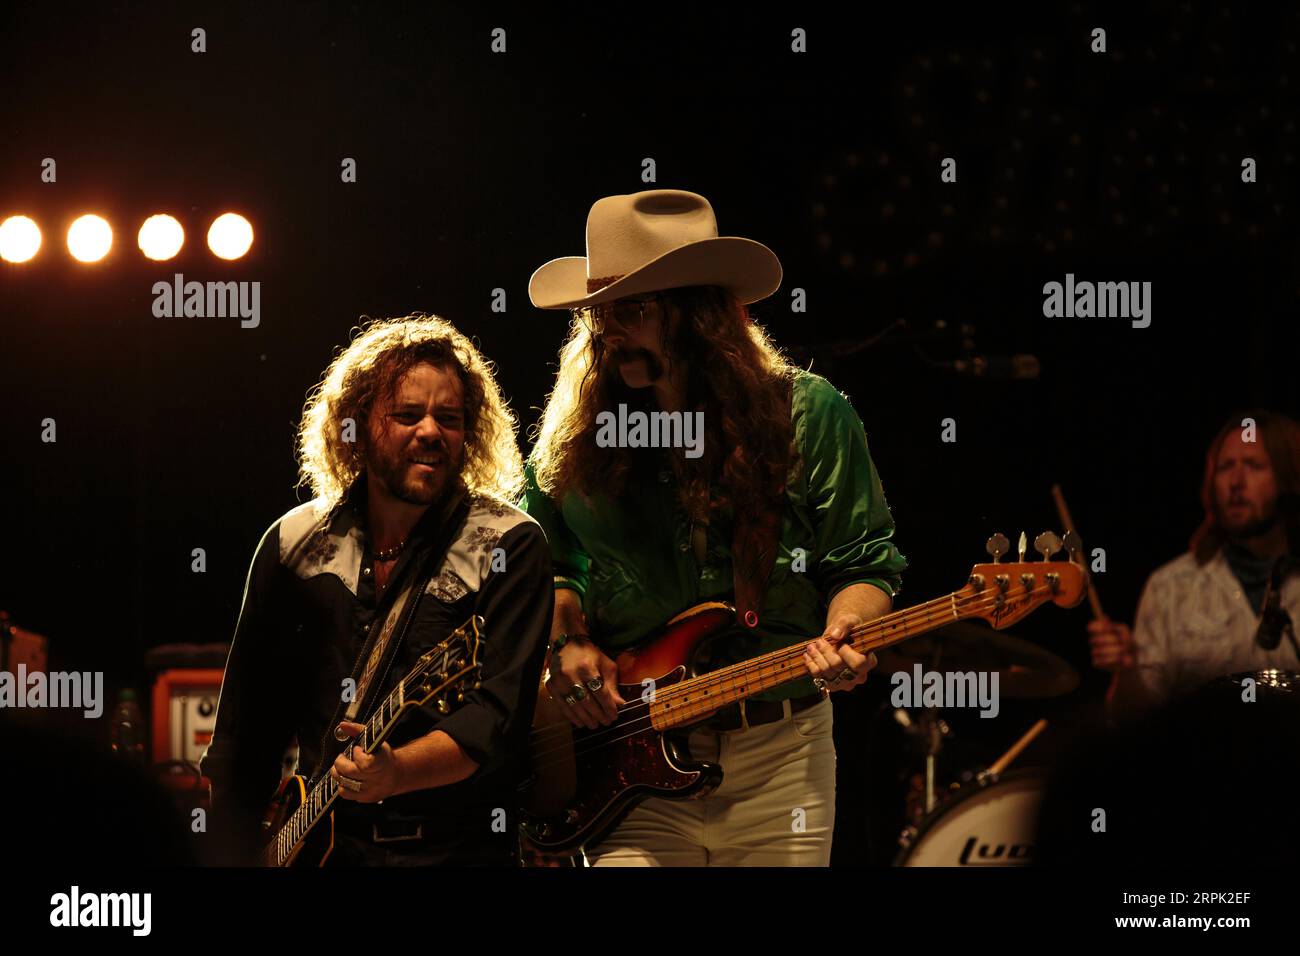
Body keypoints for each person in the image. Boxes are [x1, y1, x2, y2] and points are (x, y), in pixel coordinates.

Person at [521, 189, 907, 865]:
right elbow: (554, 563)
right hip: (627, 757)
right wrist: (568, 641)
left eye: (632, 310)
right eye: (597, 313)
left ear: (701, 317)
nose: (608, 331)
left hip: (780, 755)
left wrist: (850, 631)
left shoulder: (809, 415)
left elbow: (863, 563)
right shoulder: (576, 442)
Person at [201, 315, 553, 865]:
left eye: (450, 418)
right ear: (358, 426)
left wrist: (397, 771)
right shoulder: (294, 543)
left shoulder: (509, 543)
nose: (432, 432)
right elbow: (244, 736)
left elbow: (496, 719)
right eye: (408, 415)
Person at [1089, 410, 1300, 719]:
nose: (1236, 482)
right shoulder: (1170, 587)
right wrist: (1127, 671)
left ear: (1289, 478)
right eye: (1225, 467)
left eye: (1254, 466)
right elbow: (1132, 722)